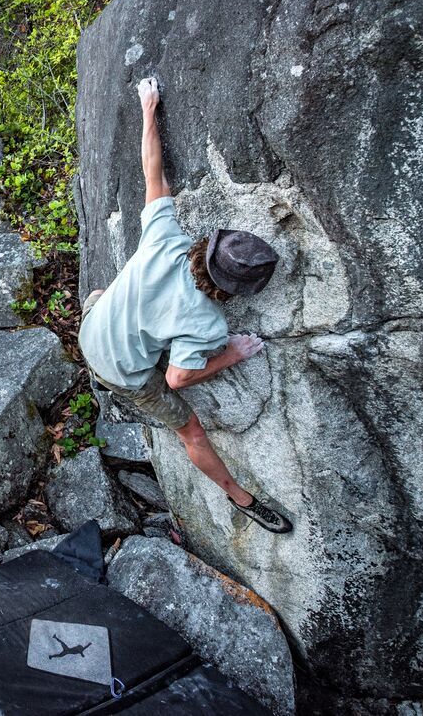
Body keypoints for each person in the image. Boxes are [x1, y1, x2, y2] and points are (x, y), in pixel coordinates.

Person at [78, 77, 292, 534]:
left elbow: (152, 172)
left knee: (99, 293)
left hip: (90, 326)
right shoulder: (208, 327)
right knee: (190, 430)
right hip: (123, 372)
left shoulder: (165, 238)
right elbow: (176, 377)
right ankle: (241, 498)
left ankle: (112, 340)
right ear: (234, 293)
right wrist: (231, 354)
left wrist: (148, 108)